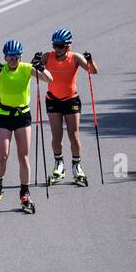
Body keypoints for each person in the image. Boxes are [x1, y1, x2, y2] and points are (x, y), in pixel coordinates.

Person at [0, 39, 53, 214]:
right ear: (5, 57)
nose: (13, 59)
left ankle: (24, 192)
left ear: (20, 56)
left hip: (22, 116)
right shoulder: (1, 70)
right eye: (10, 56)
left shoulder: (27, 68)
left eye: (16, 56)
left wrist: (41, 68)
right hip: (4, 115)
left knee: (23, 156)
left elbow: (49, 79)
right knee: (3, 155)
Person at [43, 28, 99, 186]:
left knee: (73, 135)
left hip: (71, 100)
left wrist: (90, 61)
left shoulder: (75, 58)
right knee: (56, 136)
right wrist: (35, 62)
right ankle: (59, 165)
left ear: (68, 46)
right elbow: (32, 71)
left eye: (60, 46)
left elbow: (93, 71)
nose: (56, 49)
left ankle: (77, 166)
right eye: (55, 45)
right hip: (53, 100)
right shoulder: (47, 56)